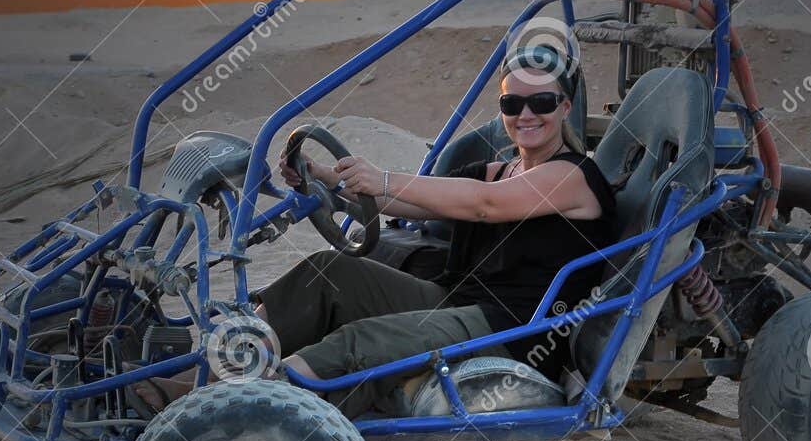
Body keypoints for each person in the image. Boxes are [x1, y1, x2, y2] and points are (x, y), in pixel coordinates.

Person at [258, 35, 616, 416]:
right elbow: (412, 205)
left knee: (362, 341)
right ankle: (236, 352)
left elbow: (486, 204)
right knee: (330, 272)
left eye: (541, 102)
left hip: (515, 331)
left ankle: (265, 405)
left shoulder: (573, 176)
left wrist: (383, 179)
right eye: (512, 104)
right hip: (459, 300)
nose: (525, 114)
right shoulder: (499, 171)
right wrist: (325, 176)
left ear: (565, 107)